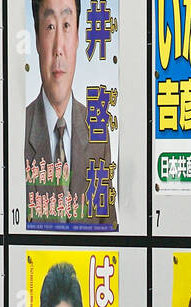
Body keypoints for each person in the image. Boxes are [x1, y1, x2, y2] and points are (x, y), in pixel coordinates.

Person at [24, 0, 117, 228]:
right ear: (36, 39)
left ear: (77, 38)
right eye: (50, 27)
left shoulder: (96, 130)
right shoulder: (16, 130)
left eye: (66, 25)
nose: (59, 48)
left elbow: (108, 226)